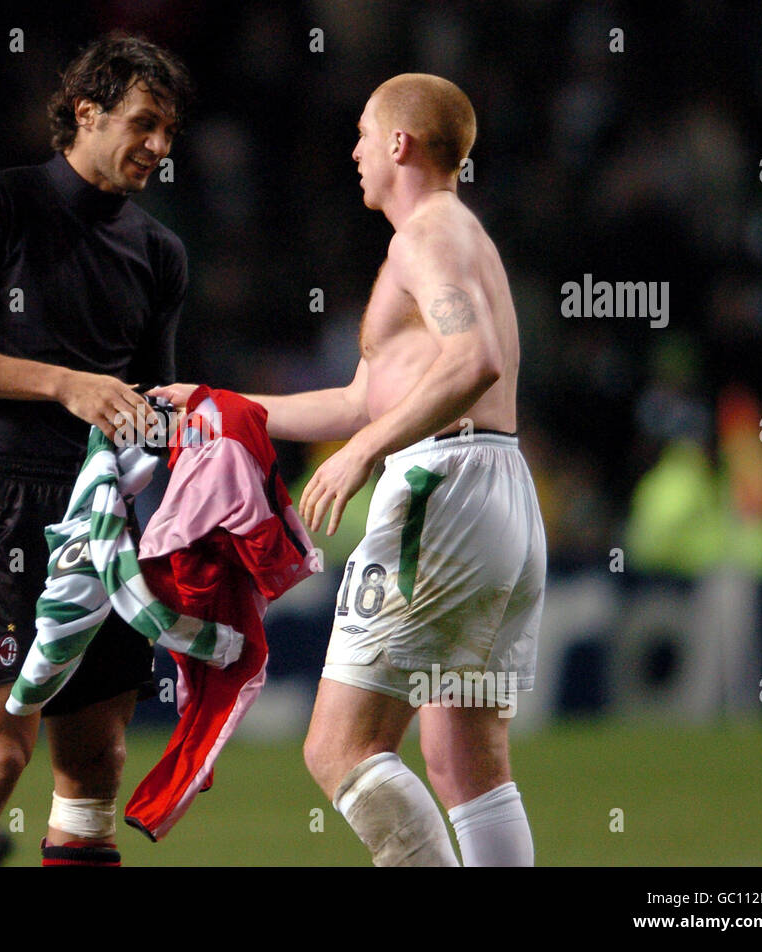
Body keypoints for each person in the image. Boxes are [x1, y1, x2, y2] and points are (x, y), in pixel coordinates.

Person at [155, 73, 545, 866]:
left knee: (340, 747)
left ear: (399, 144)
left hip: (442, 489)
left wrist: (369, 452)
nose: (355, 149)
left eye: (365, 132)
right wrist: (212, 405)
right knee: (465, 759)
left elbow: (474, 359)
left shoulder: (425, 235)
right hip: (498, 490)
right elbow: (359, 401)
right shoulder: (457, 235)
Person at [0, 32, 193, 867]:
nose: (159, 148)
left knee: (93, 771)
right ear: (86, 112)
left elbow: (152, 408)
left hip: (107, 515)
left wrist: (188, 497)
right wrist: (64, 383)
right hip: (4, 501)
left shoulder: (159, 253)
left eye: (169, 132)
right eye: (144, 123)